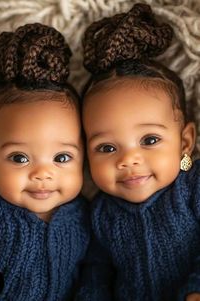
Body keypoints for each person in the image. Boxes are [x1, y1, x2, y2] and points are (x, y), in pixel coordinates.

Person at [76, 3, 200, 301]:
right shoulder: (101, 213)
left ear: (185, 143)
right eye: (106, 147)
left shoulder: (192, 188)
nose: (128, 159)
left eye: (150, 140)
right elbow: (96, 272)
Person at [0, 23, 89, 301]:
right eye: (19, 158)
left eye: (62, 157)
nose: (43, 173)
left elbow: (94, 272)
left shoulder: (84, 216)